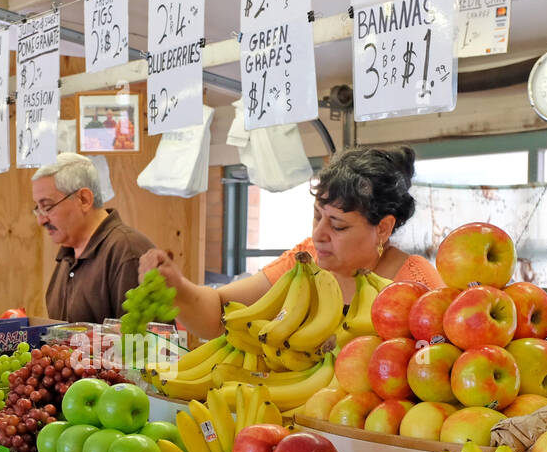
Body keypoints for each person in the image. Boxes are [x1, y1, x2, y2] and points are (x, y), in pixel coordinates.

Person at [141, 146, 442, 341]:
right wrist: (178, 289)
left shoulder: (417, 284)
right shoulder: (305, 259)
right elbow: (220, 314)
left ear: (383, 228)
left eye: (337, 225)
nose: (319, 234)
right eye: (316, 216)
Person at [34, 152, 155, 324]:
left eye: (47, 207)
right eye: (37, 209)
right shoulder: (67, 255)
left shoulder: (128, 252)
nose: (41, 220)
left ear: (84, 199)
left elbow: (146, 344)